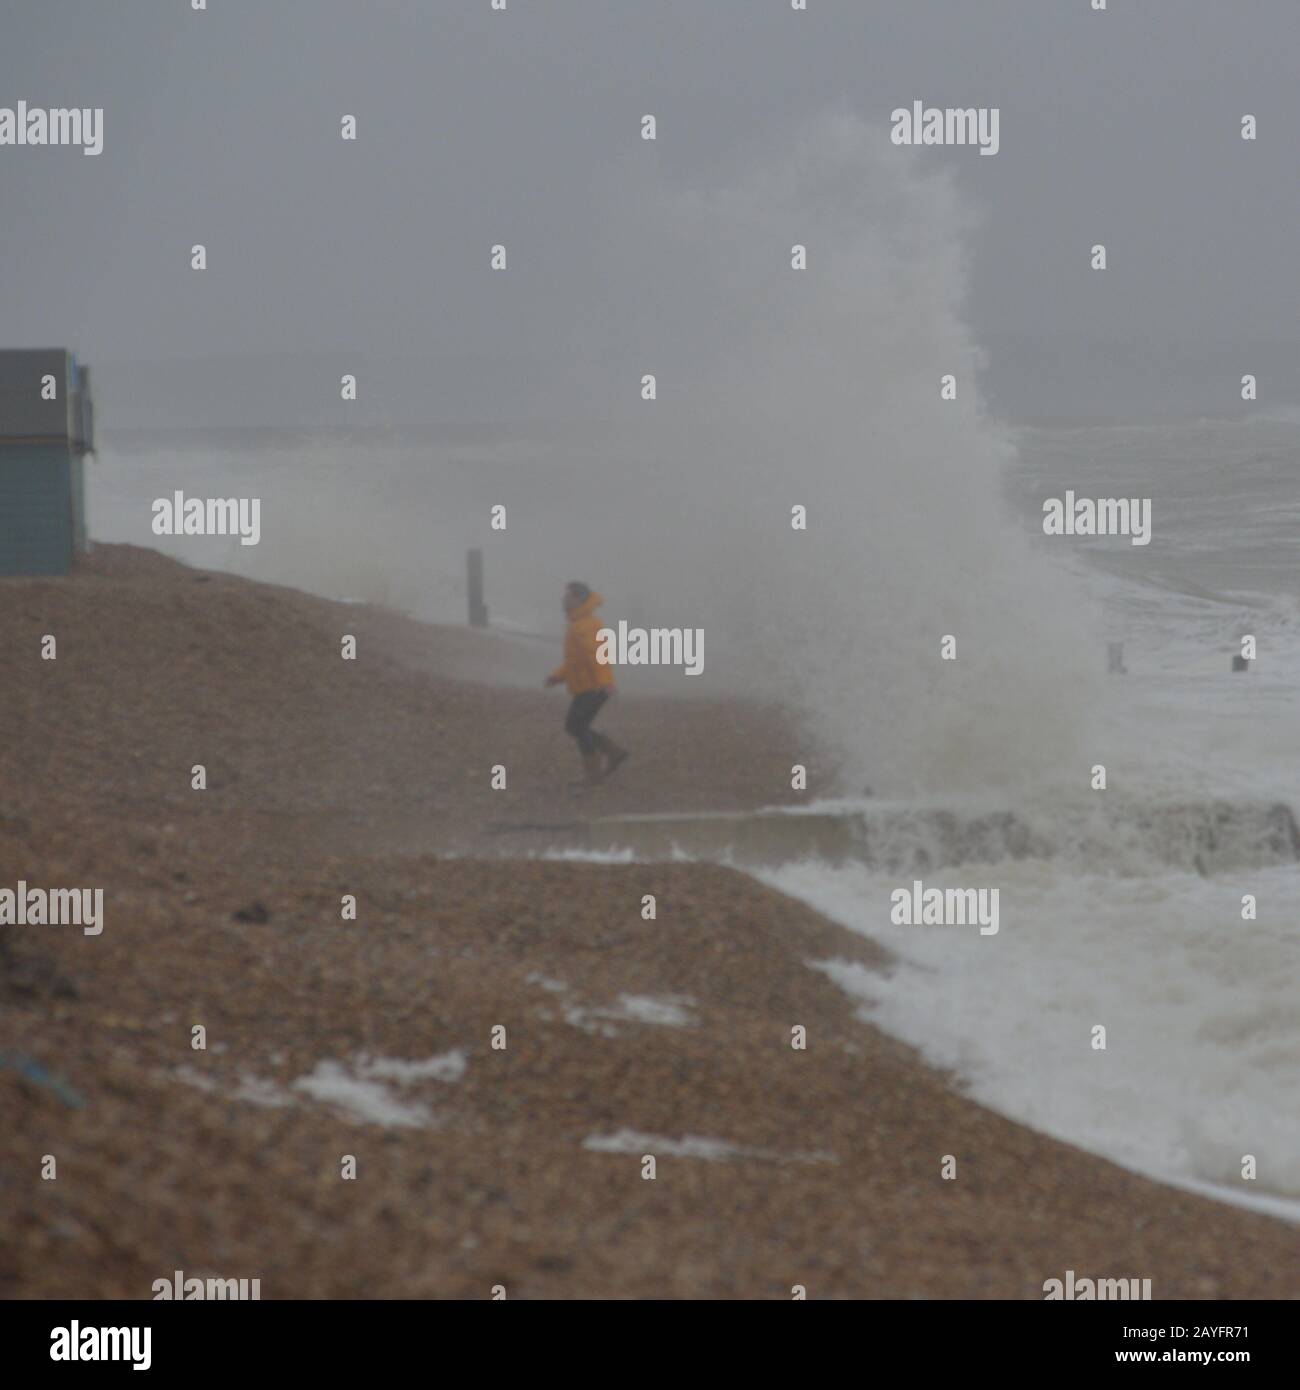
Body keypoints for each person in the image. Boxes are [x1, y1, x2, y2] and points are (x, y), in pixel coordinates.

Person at [545, 581, 628, 787]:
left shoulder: (587, 625)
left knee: (576, 726)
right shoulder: (578, 624)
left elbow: (597, 656)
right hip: (588, 686)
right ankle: (613, 753)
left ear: (579, 599)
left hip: (594, 687)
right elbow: (576, 661)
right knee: (576, 726)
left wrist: (605, 683)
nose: (563, 599)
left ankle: (595, 772)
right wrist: (557, 676)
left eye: (568, 596)